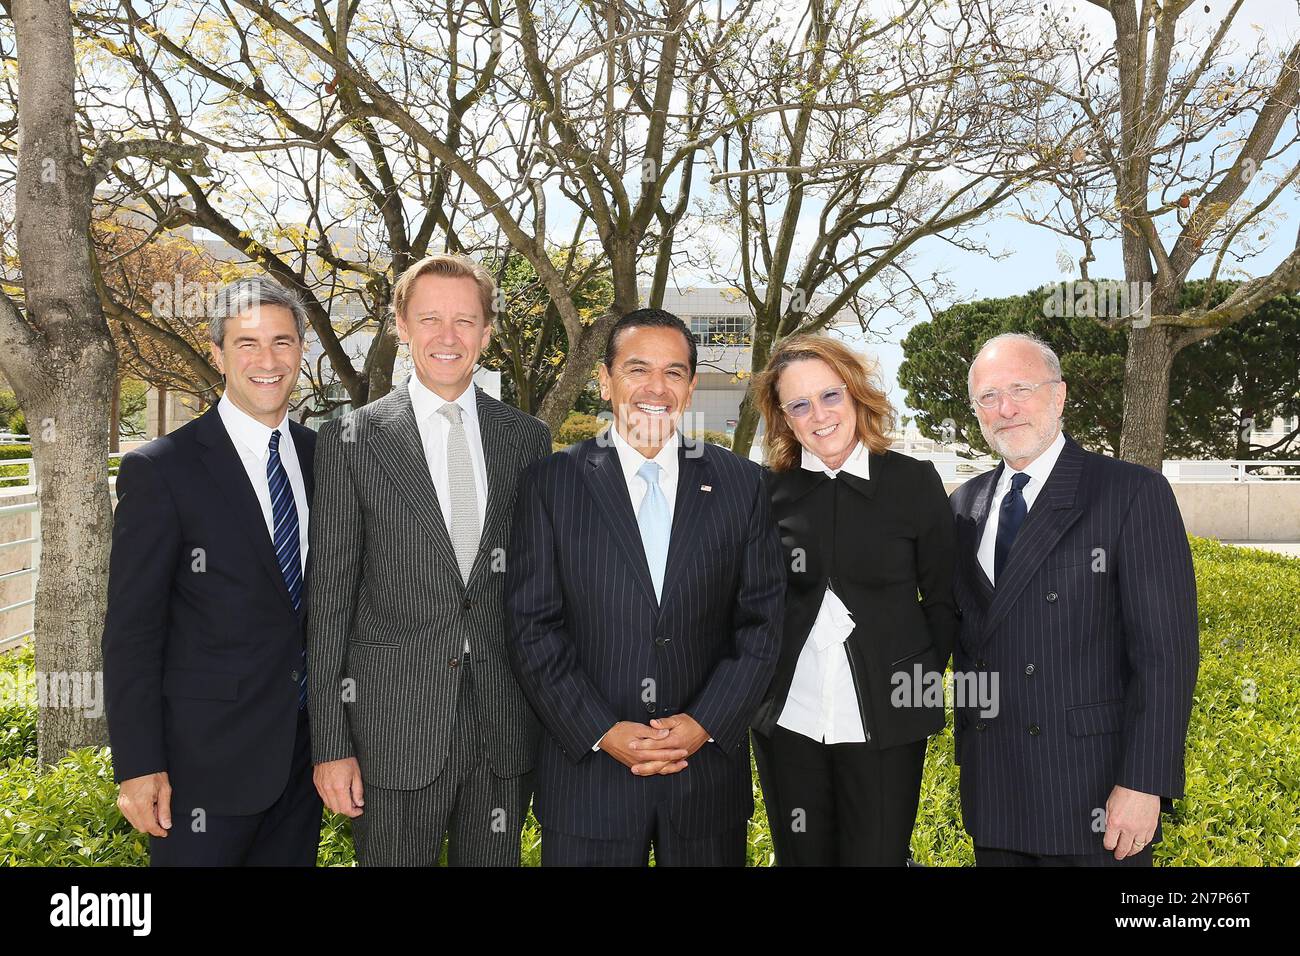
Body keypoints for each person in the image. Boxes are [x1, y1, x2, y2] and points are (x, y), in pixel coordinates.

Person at [505, 308, 784, 866]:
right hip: (590, 783)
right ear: (605, 381)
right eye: (637, 370)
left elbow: (762, 623)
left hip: (702, 781)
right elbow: (532, 627)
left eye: (674, 372)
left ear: (690, 386)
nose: (656, 388)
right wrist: (601, 730)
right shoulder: (549, 484)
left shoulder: (743, 485)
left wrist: (705, 724)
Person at [308, 253, 551, 866]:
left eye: (465, 321)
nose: (448, 337)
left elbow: (541, 589)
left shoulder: (527, 439)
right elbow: (330, 600)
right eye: (430, 319)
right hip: (395, 728)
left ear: (487, 332)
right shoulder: (350, 439)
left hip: (501, 730)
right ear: (400, 325)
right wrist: (330, 742)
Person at [950, 332, 1199, 866]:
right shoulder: (962, 504)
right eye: (988, 397)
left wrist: (1144, 782)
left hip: (1094, 792)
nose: (1005, 409)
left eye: (1020, 388)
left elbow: (1166, 655)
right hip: (995, 788)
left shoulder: (1131, 492)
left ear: (1059, 396)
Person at [102, 277, 321, 866]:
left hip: (303, 766)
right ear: (219, 355)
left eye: (282, 342)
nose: (267, 361)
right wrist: (140, 766)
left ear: (302, 350)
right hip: (199, 773)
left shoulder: (325, 459)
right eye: (246, 344)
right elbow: (132, 631)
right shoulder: (162, 469)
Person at [749, 333, 957, 865]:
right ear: (784, 418)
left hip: (887, 722)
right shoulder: (768, 493)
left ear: (856, 394)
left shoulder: (913, 481)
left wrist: (917, 679)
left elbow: (943, 599)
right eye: (799, 404)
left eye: (829, 395)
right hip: (788, 721)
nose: (818, 414)